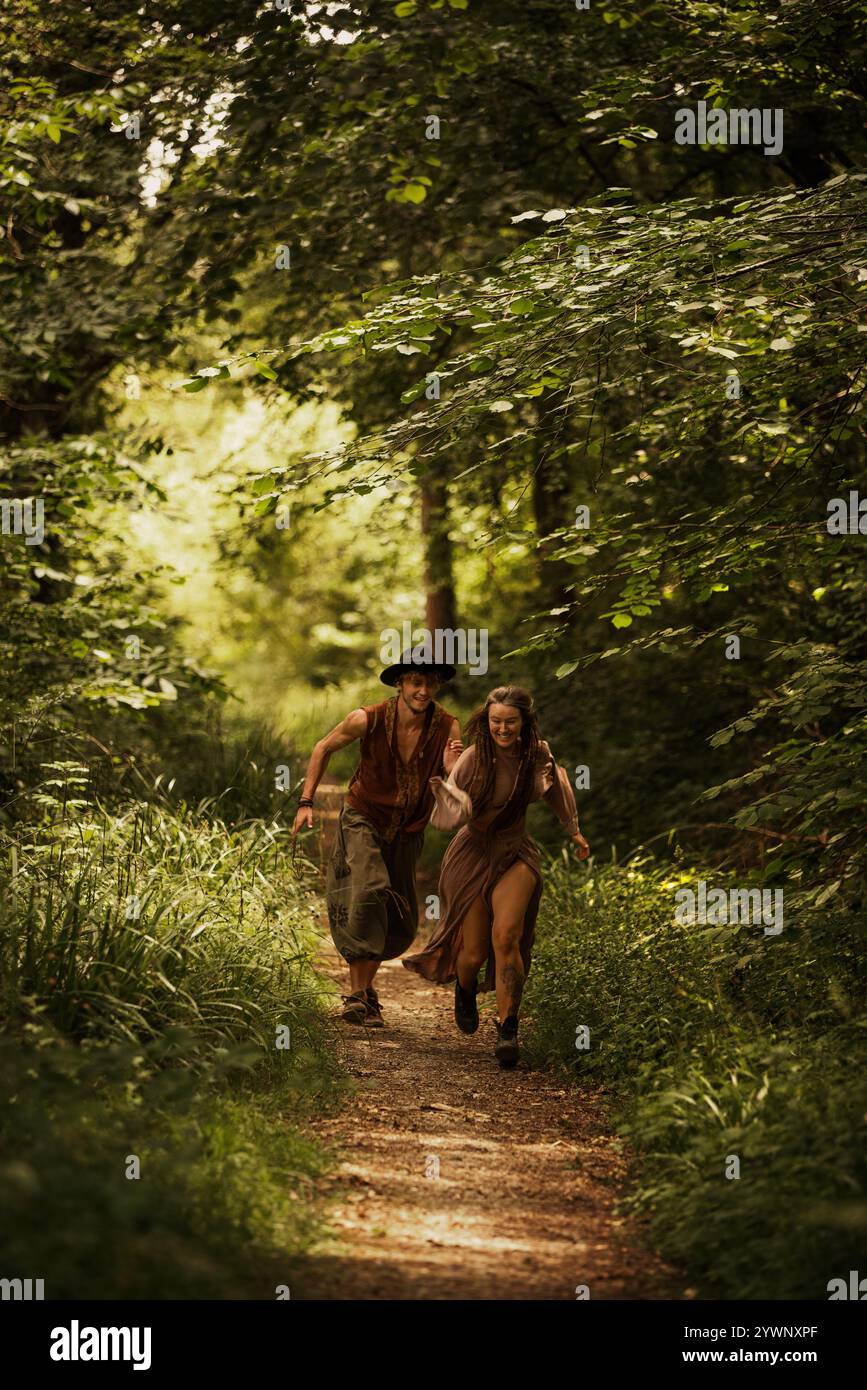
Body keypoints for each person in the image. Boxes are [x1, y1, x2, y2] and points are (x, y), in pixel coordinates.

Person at [402, 685, 590, 1067]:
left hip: (515, 850)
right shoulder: (475, 756)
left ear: (524, 722)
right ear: (486, 722)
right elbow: (452, 805)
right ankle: (465, 987)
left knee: (507, 937)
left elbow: (558, 787)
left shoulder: (536, 754)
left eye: (510, 722)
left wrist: (573, 829)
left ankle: (508, 1029)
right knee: (473, 953)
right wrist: (451, 775)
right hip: (472, 852)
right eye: (495, 722)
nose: (502, 729)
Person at [292, 651, 463, 1027]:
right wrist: (306, 802)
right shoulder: (366, 718)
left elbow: (457, 790)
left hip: (408, 829)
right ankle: (356, 995)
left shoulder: (448, 728)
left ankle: (366, 992)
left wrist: (452, 772)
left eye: (429, 683)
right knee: (370, 888)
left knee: (399, 918)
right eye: (415, 682)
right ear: (400, 683)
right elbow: (323, 747)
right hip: (363, 817)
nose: (422, 690)